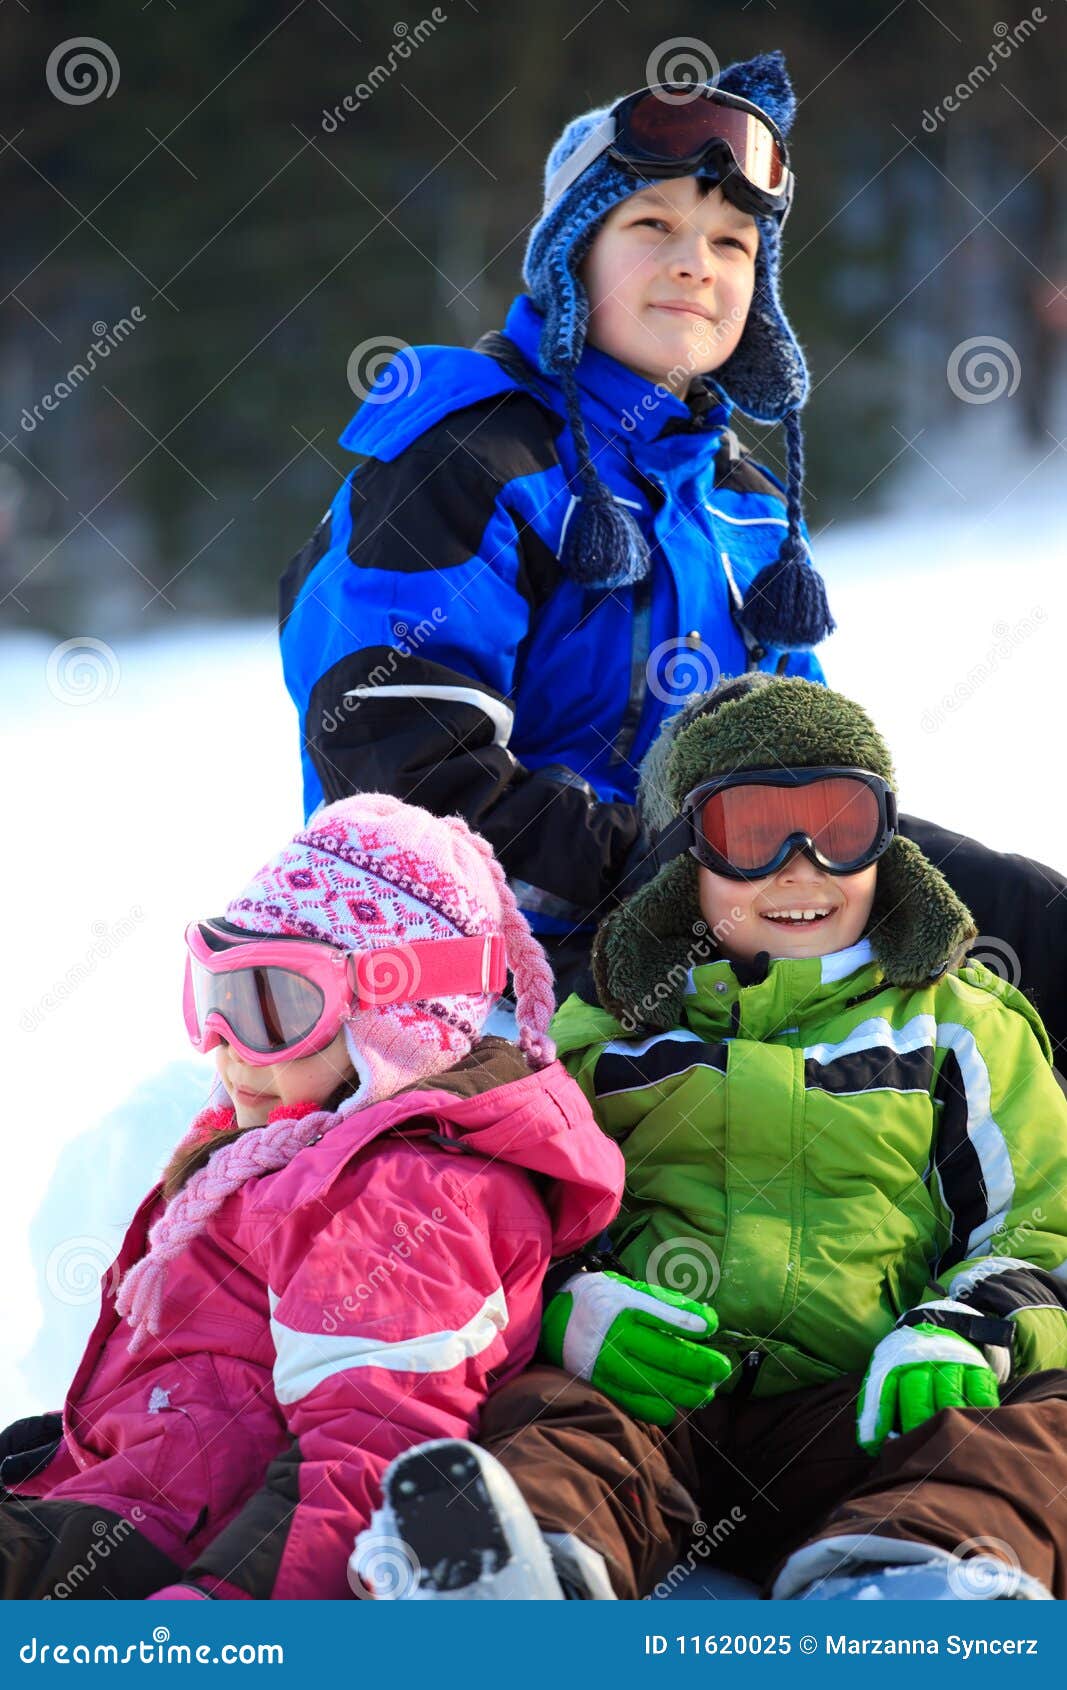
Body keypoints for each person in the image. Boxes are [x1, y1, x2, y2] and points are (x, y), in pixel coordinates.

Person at [276, 48, 1067, 1057]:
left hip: (720, 905)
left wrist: (813, 859)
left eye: (732, 243)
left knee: (1027, 930)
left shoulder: (738, 504)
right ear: (572, 256)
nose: (697, 262)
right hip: (486, 961)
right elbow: (392, 758)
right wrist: (682, 871)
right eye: (652, 226)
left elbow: (802, 756)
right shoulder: (463, 463)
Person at [360, 675, 1067, 1601]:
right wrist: (574, 1308)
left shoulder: (958, 1028)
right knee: (551, 1417)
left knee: (1034, 1428)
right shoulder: (603, 1038)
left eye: (840, 825)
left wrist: (962, 1334)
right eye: (752, 833)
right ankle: (518, 1575)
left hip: (864, 1408)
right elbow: (513, 1224)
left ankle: (916, 1575)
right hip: (655, 1401)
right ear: (684, 856)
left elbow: (1034, 1228)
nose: (801, 866)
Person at [0, 795, 623, 1600]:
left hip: (173, 1549)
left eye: (274, 1008)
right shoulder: (285, 1148)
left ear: (395, 1025)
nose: (228, 1047)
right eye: (216, 996)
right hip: (118, 1500)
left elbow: (370, 1456)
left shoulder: (403, 1194)